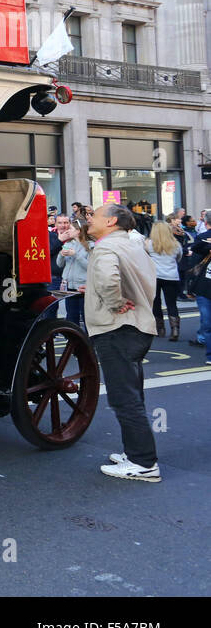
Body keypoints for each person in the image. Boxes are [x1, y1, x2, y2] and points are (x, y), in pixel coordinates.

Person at [86, 203, 160, 483]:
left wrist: (113, 301)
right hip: (137, 327)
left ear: (111, 221)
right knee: (132, 395)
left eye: (95, 215)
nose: (89, 219)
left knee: (124, 398)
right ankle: (136, 454)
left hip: (117, 328)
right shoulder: (133, 245)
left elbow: (108, 279)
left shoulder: (105, 247)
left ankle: (143, 463)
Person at [146, 217, 183, 339]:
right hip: (171, 276)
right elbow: (179, 258)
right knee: (171, 303)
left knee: (156, 303)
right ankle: (175, 330)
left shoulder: (149, 244)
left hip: (155, 276)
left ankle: (160, 329)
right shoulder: (175, 244)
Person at [54, 217, 89, 328]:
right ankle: (72, 341)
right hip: (69, 286)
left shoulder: (90, 245)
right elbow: (59, 264)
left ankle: (89, 342)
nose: (68, 231)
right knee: (71, 316)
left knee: (86, 316)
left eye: (71, 229)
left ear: (79, 231)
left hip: (83, 286)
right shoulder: (69, 243)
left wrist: (76, 255)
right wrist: (61, 254)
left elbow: (90, 266)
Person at [49, 214, 71, 291]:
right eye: (60, 223)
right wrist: (59, 241)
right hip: (55, 277)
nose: (63, 225)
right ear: (55, 224)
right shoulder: (50, 235)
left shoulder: (75, 236)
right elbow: (48, 252)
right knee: (53, 301)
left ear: (69, 223)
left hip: (71, 278)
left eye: (65, 222)